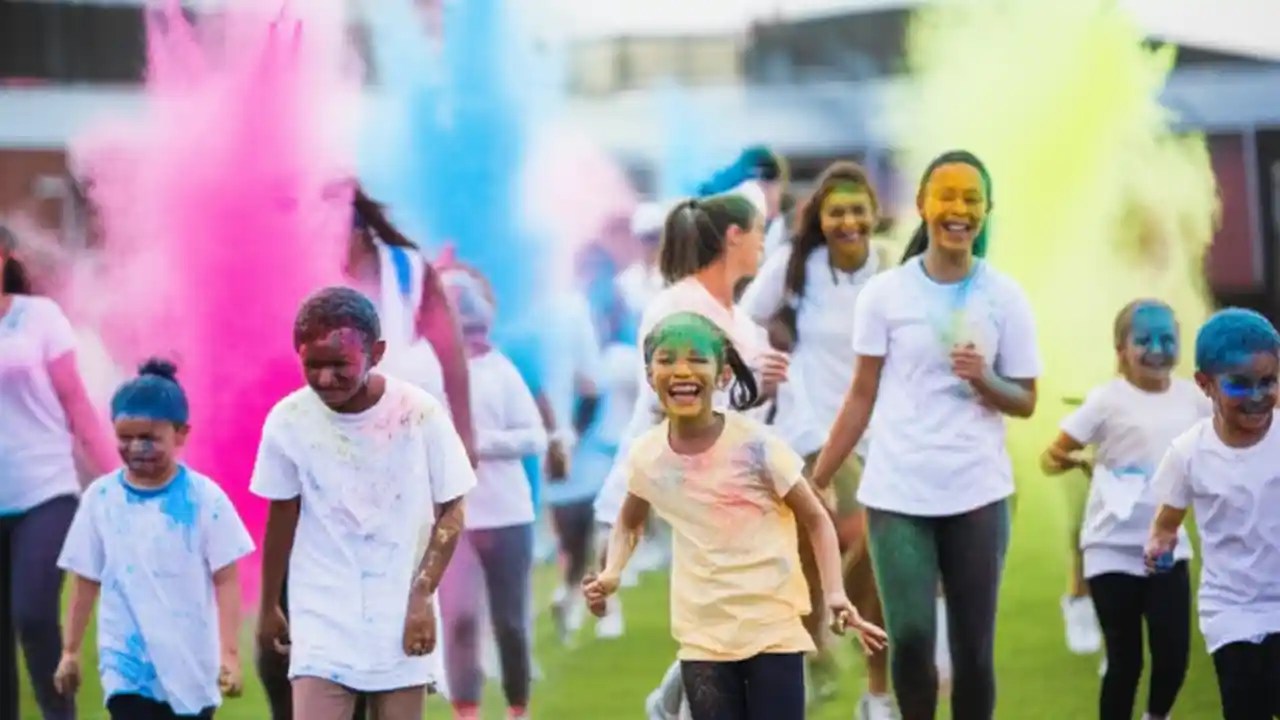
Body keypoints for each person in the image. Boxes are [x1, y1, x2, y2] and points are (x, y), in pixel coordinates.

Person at [810, 150, 1041, 720]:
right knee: (909, 642)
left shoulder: (1004, 296)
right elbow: (861, 394)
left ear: (986, 210)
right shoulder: (886, 295)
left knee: (972, 653)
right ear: (922, 205)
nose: (958, 210)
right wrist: (817, 476)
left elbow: (1027, 399)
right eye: (947, 196)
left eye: (971, 199)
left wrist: (984, 378)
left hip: (977, 493)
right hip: (898, 494)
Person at [584, 312, 886, 720]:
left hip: (772, 630)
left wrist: (834, 593)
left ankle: (668, 705)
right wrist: (612, 572)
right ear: (650, 376)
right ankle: (671, 702)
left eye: (697, 359)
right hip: (704, 634)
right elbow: (629, 520)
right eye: (667, 359)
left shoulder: (757, 447)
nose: (682, 370)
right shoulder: (650, 457)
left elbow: (816, 518)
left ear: (723, 376)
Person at [255, 187, 477, 720]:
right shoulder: (291, 417)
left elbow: (451, 353)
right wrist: (268, 606)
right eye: (315, 366)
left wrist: (465, 439)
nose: (325, 377)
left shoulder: (406, 273)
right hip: (325, 549)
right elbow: (280, 511)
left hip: (398, 523)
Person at [588, 192, 788, 719]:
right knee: (726, 612)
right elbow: (667, 401)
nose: (765, 243)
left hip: (742, 483)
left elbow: (737, 407)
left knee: (743, 611)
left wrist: (762, 390)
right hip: (686, 477)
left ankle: (672, 700)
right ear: (733, 238)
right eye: (759, 232)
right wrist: (752, 388)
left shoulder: (739, 319)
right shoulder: (677, 307)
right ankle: (679, 701)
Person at [739, 160, 893, 716]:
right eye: (837, 211)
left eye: (858, 210)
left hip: (882, 432)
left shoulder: (892, 269)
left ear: (874, 214)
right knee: (831, 542)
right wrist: (768, 357)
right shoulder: (793, 266)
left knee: (869, 552)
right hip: (809, 431)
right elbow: (742, 322)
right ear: (820, 218)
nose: (848, 221)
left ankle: (860, 675)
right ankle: (817, 655)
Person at [53, 359, 254, 720]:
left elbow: (225, 579)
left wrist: (229, 655)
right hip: (126, 663)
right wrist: (70, 651)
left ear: (180, 434)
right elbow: (85, 579)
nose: (135, 448)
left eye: (148, 438)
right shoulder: (101, 499)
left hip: (191, 660)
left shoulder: (204, 499)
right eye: (124, 437)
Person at [1042, 300, 1204, 720]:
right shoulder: (1106, 401)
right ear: (1120, 349)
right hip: (1110, 548)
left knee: (1173, 654)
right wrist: (1078, 462)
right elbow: (1051, 455)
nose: (1157, 348)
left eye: (1168, 339)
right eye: (1144, 340)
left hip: (1167, 547)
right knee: (1125, 660)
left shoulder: (1194, 400)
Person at [0, 225, 117, 720]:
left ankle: (58, 714)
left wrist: (118, 481)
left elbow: (77, 405)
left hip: (45, 492)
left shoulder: (39, 318)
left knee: (31, 613)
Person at [1147, 308, 1280, 720]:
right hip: (1230, 610)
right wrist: (1158, 547)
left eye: (1269, 382)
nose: (1258, 396)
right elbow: (1165, 524)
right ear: (1205, 384)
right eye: (1240, 385)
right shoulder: (1188, 454)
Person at [437, 267, 546, 720]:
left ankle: (516, 708)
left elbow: (535, 436)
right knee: (458, 618)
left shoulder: (500, 371)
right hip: (452, 516)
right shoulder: (425, 372)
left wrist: (481, 443)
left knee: (510, 622)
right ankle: (468, 711)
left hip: (506, 513)